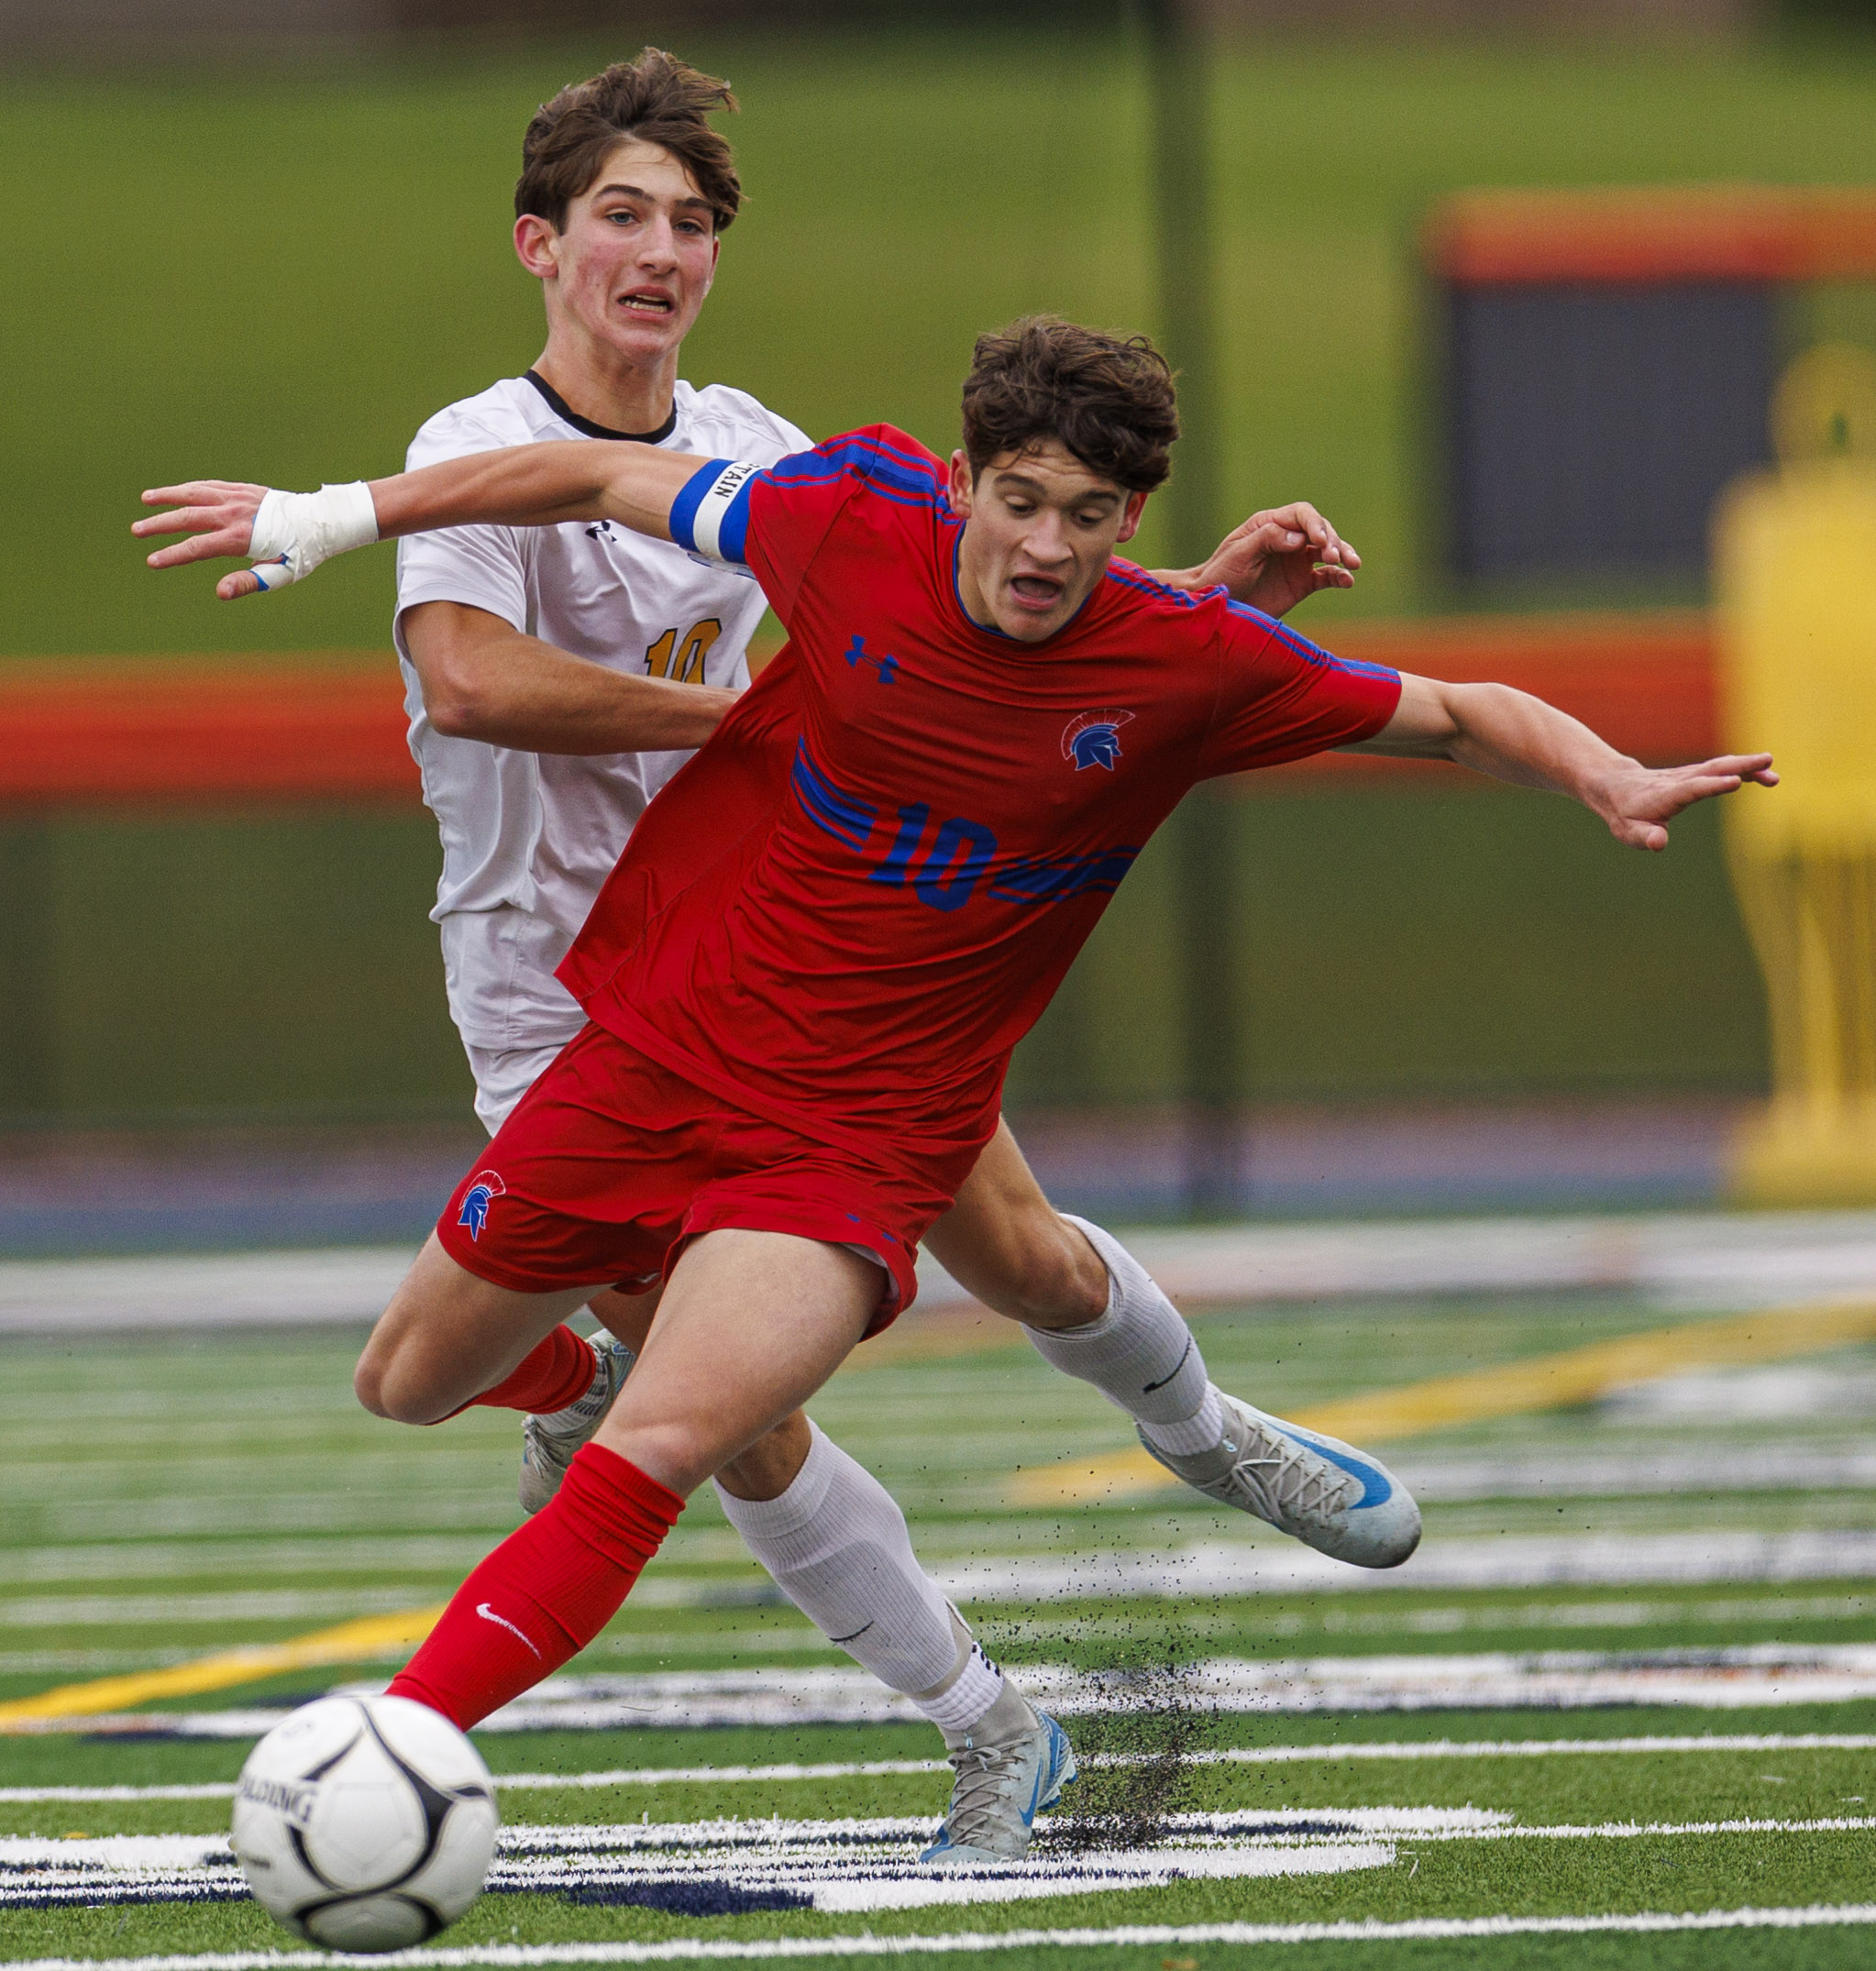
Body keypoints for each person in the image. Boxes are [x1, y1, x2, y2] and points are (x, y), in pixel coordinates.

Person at [137, 315, 1774, 1860]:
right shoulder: (847, 514)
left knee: (678, 1435)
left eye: (1090, 515)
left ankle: (396, 1750)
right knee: (410, 1377)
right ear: (961, 480)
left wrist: (1603, 769)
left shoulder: (1190, 658)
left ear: (1130, 519)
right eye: (1020, 500)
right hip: (657, 1049)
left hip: (857, 1140)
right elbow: (585, 471)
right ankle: (667, 1405)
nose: (1047, 545)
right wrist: (328, 513)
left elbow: (1454, 711)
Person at [146, 56, 1434, 1851]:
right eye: (619, 216)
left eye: (689, 224)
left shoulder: (756, 442)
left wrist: (1199, 608)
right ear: (539, 247)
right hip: (560, 990)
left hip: (810, 961)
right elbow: (473, 681)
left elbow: (978, 618)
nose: (658, 251)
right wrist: (758, 724)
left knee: (1031, 1262)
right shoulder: (472, 446)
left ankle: (1208, 1438)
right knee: (651, 1407)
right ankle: (989, 1720)